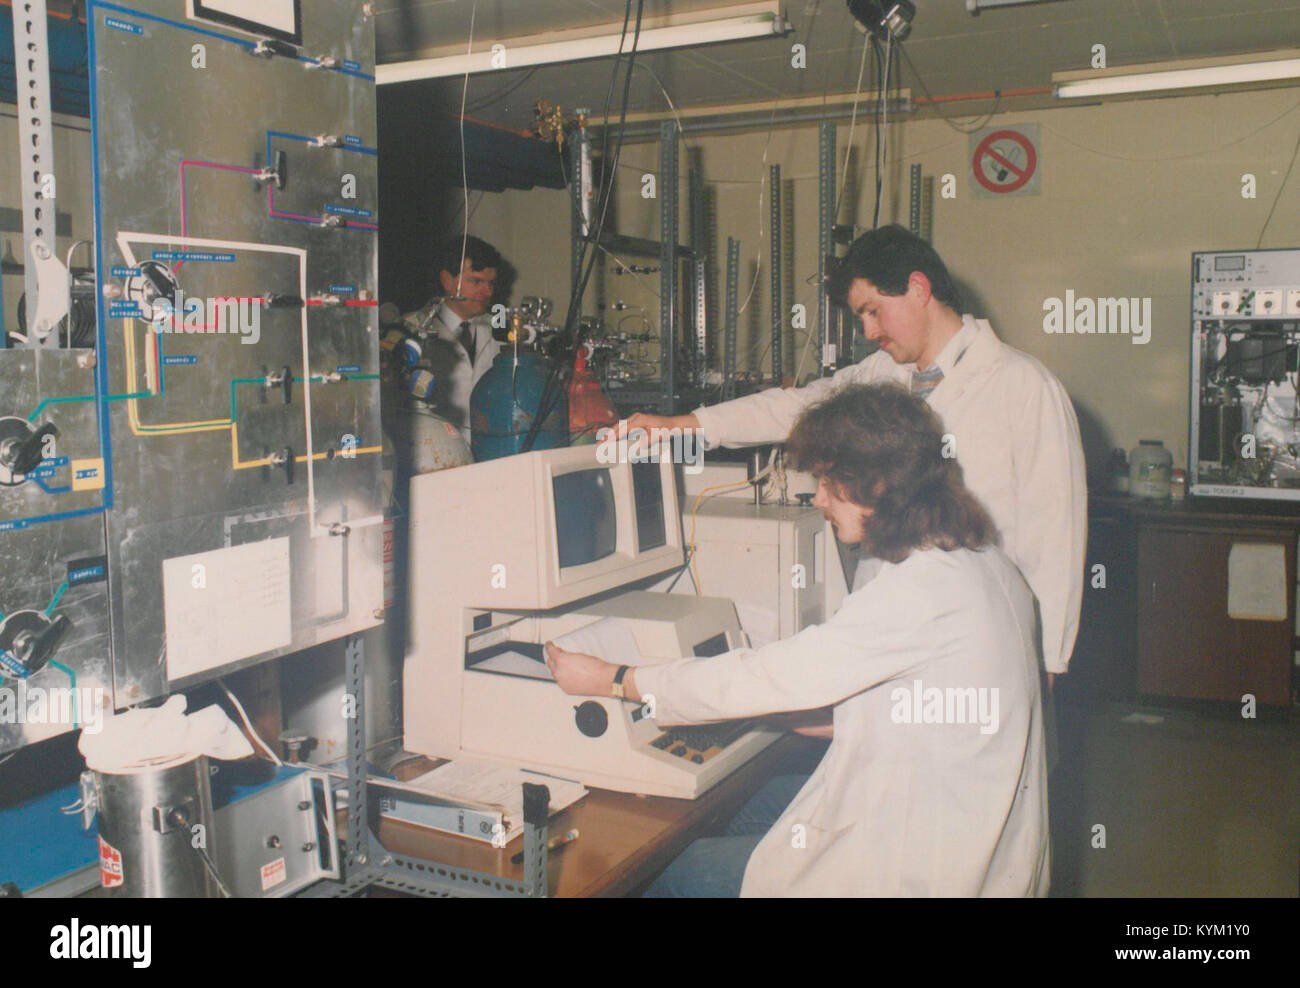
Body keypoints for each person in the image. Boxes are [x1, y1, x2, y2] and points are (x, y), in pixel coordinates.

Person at [546, 384, 1050, 896]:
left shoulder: (921, 590)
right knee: (754, 805)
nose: (818, 497)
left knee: (685, 871)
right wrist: (803, 715)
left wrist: (615, 680)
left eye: (830, 482)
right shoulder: (981, 559)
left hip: (927, 863)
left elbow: (771, 675)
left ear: (879, 484)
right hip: (960, 816)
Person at [626, 225, 1086, 687]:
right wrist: (687, 425)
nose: (868, 331)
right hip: (891, 620)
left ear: (918, 288)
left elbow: (1056, 533)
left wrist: (1048, 661)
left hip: (985, 635)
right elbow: (796, 405)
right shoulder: (884, 373)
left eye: (873, 311)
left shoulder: (1024, 385)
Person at [402, 236, 505, 442]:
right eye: (476, 281)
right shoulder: (412, 328)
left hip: (490, 452)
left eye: (491, 283)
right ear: (447, 281)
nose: (487, 292)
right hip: (436, 449)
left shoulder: (500, 327)